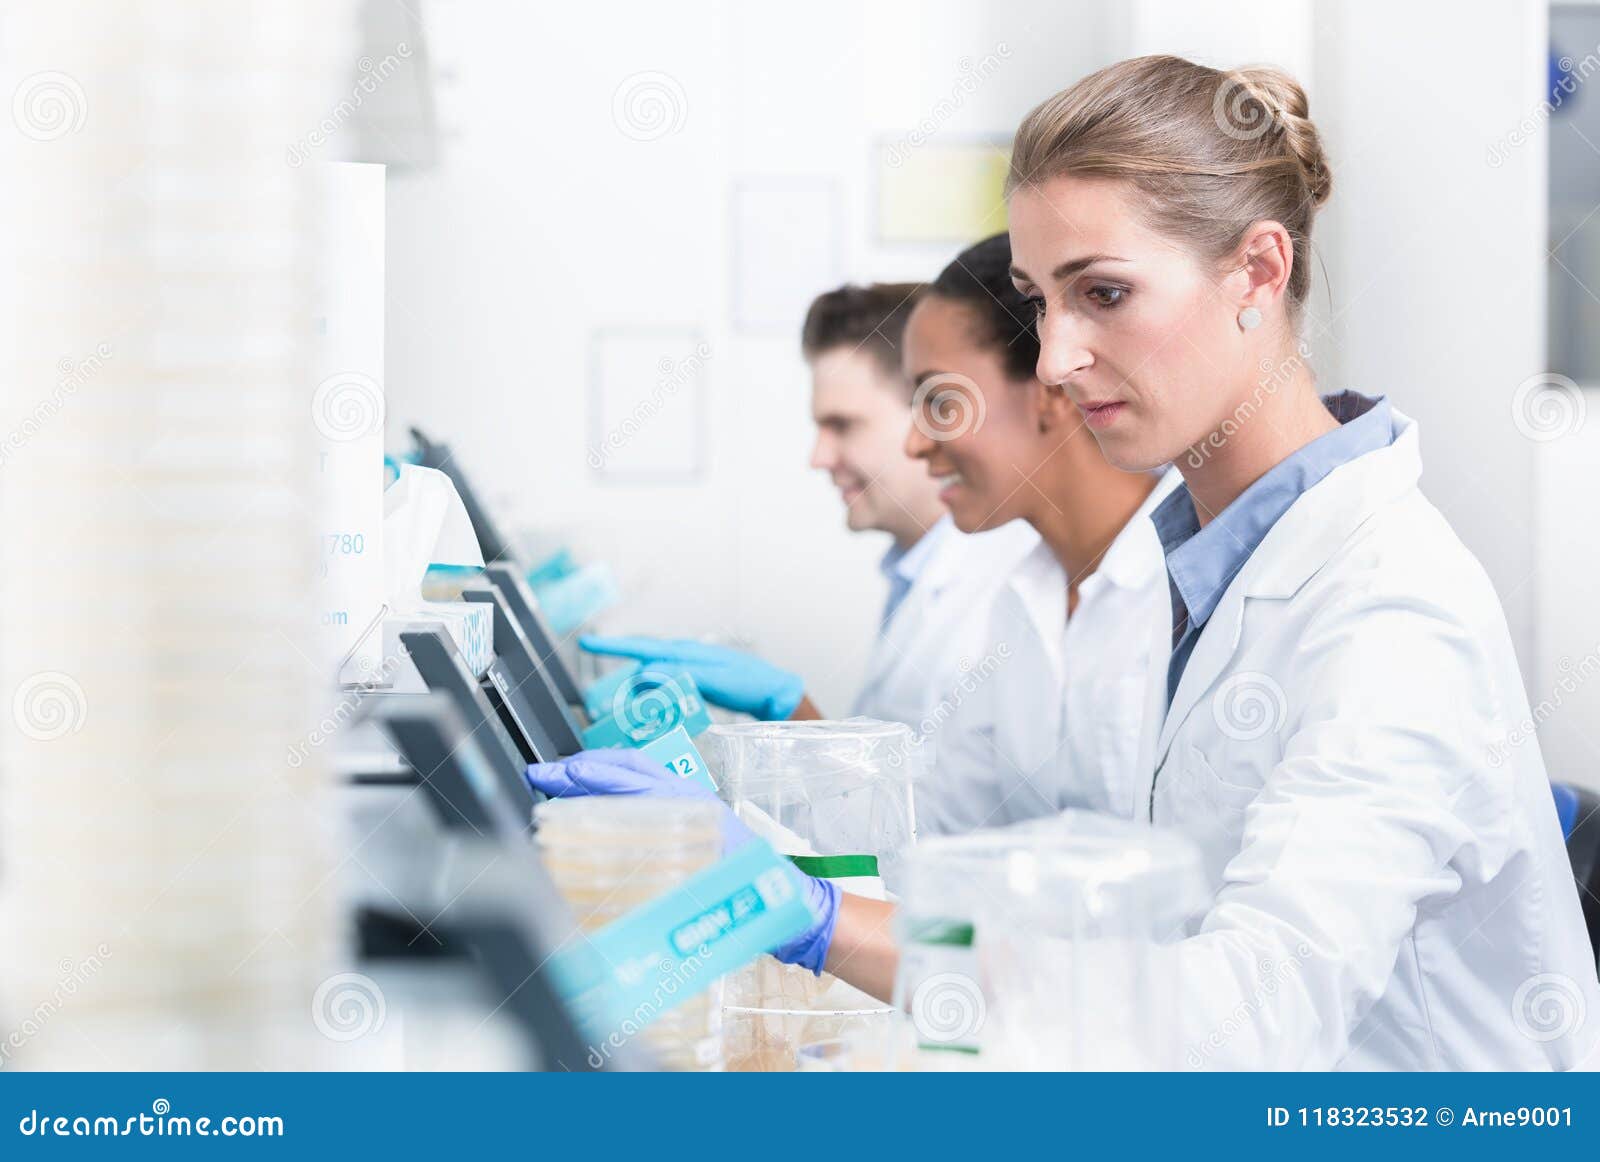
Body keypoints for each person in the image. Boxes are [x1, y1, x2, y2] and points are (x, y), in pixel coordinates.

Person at [532, 55, 1600, 1070]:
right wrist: (743, 833)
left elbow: (1244, 1021)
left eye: (1103, 294)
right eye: (1041, 299)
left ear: (1257, 271)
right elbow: (1061, 914)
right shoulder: (1196, 563)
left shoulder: (1388, 608)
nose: (1053, 357)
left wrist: (810, 916)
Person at [582, 282, 1036, 728]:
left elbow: (922, 800)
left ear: (935, 414)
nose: (819, 457)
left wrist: (791, 708)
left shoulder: (994, 593)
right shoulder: (915, 573)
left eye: (843, 425)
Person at [899, 233, 1178, 835]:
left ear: (1050, 389)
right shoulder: (1018, 604)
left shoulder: (1188, 585)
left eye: (940, 400)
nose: (915, 443)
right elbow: (937, 838)